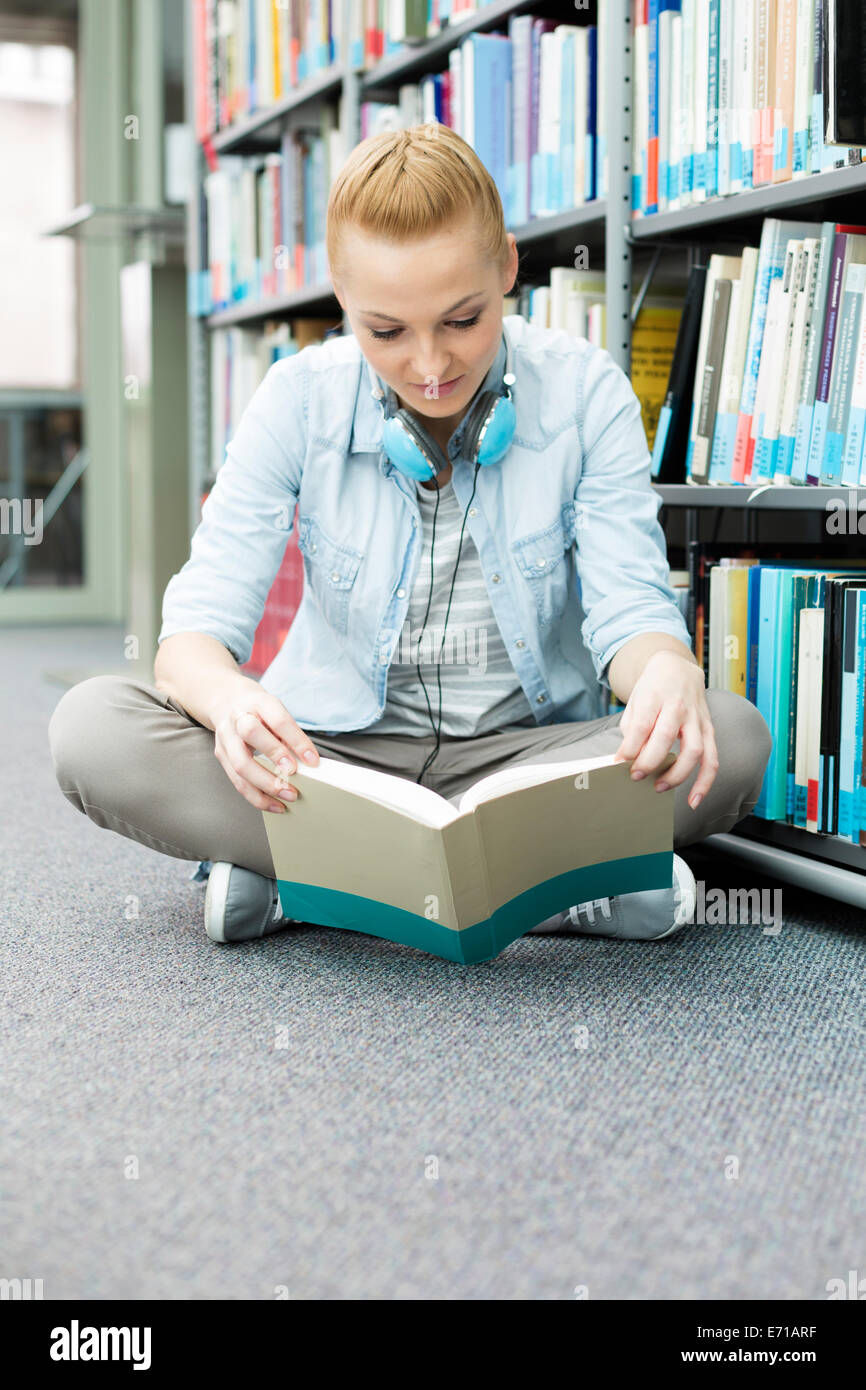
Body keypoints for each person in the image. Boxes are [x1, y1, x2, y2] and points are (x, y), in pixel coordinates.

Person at [47, 124, 772, 948]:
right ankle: (553, 883)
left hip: (525, 765)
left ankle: (315, 880)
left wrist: (667, 671)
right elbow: (192, 639)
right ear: (343, 298)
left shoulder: (584, 391)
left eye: (462, 319)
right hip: (329, 766)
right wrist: (231, 702)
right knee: (91, 727)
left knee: (734, 732)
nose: (430, 365)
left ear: (506, 267)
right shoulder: (296, 400)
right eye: (386, 332)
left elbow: (629, 608)